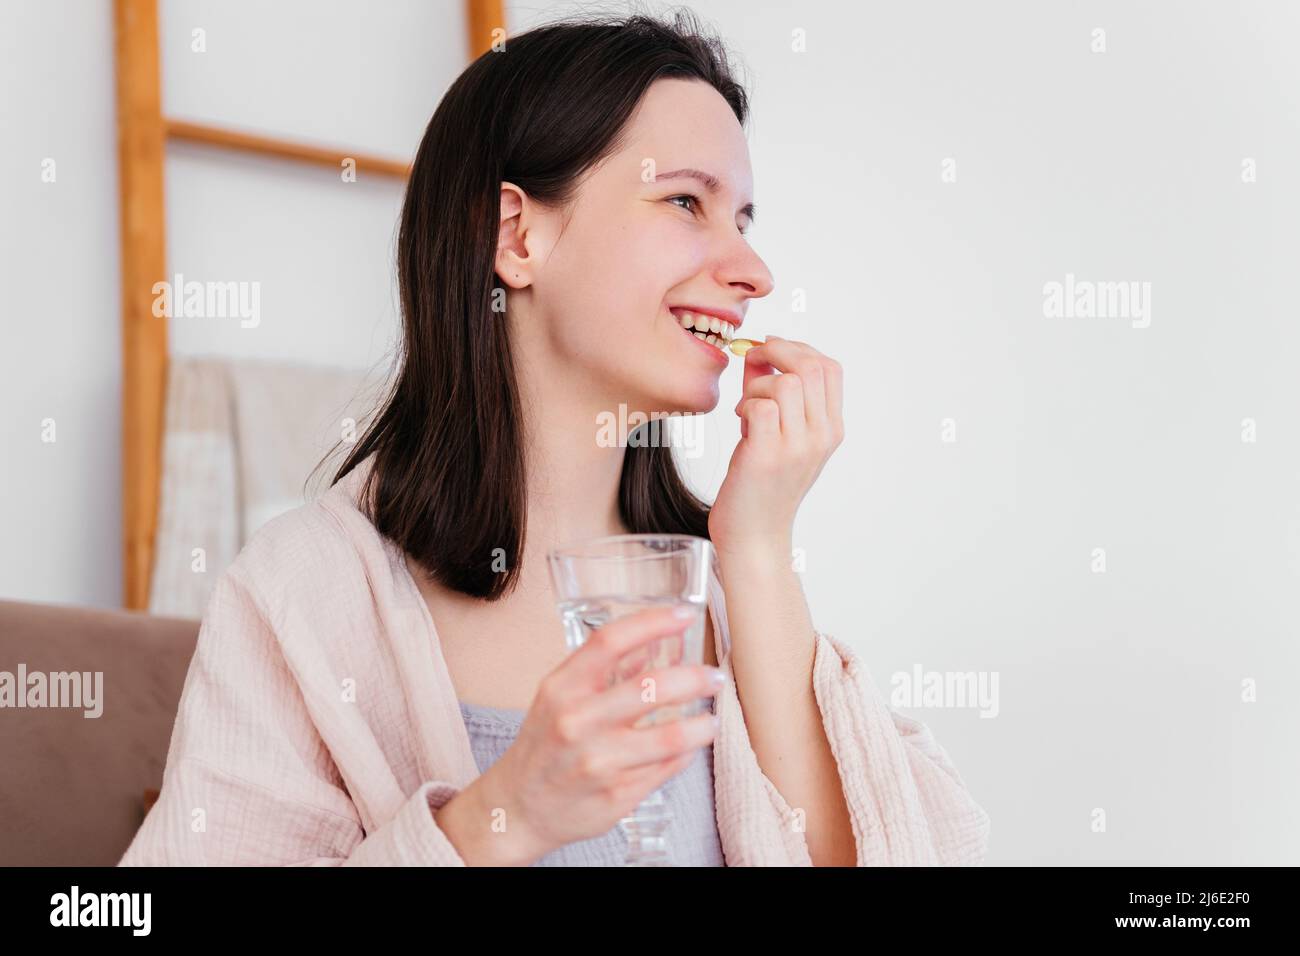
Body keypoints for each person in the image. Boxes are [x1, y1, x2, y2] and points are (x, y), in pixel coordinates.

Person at [119, 11, 989, 867]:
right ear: (517, 234)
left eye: (745, 220)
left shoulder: (725, 590)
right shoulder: (304, 596)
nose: (754, 273)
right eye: (686, 200)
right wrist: (507, 814)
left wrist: (757, 547)